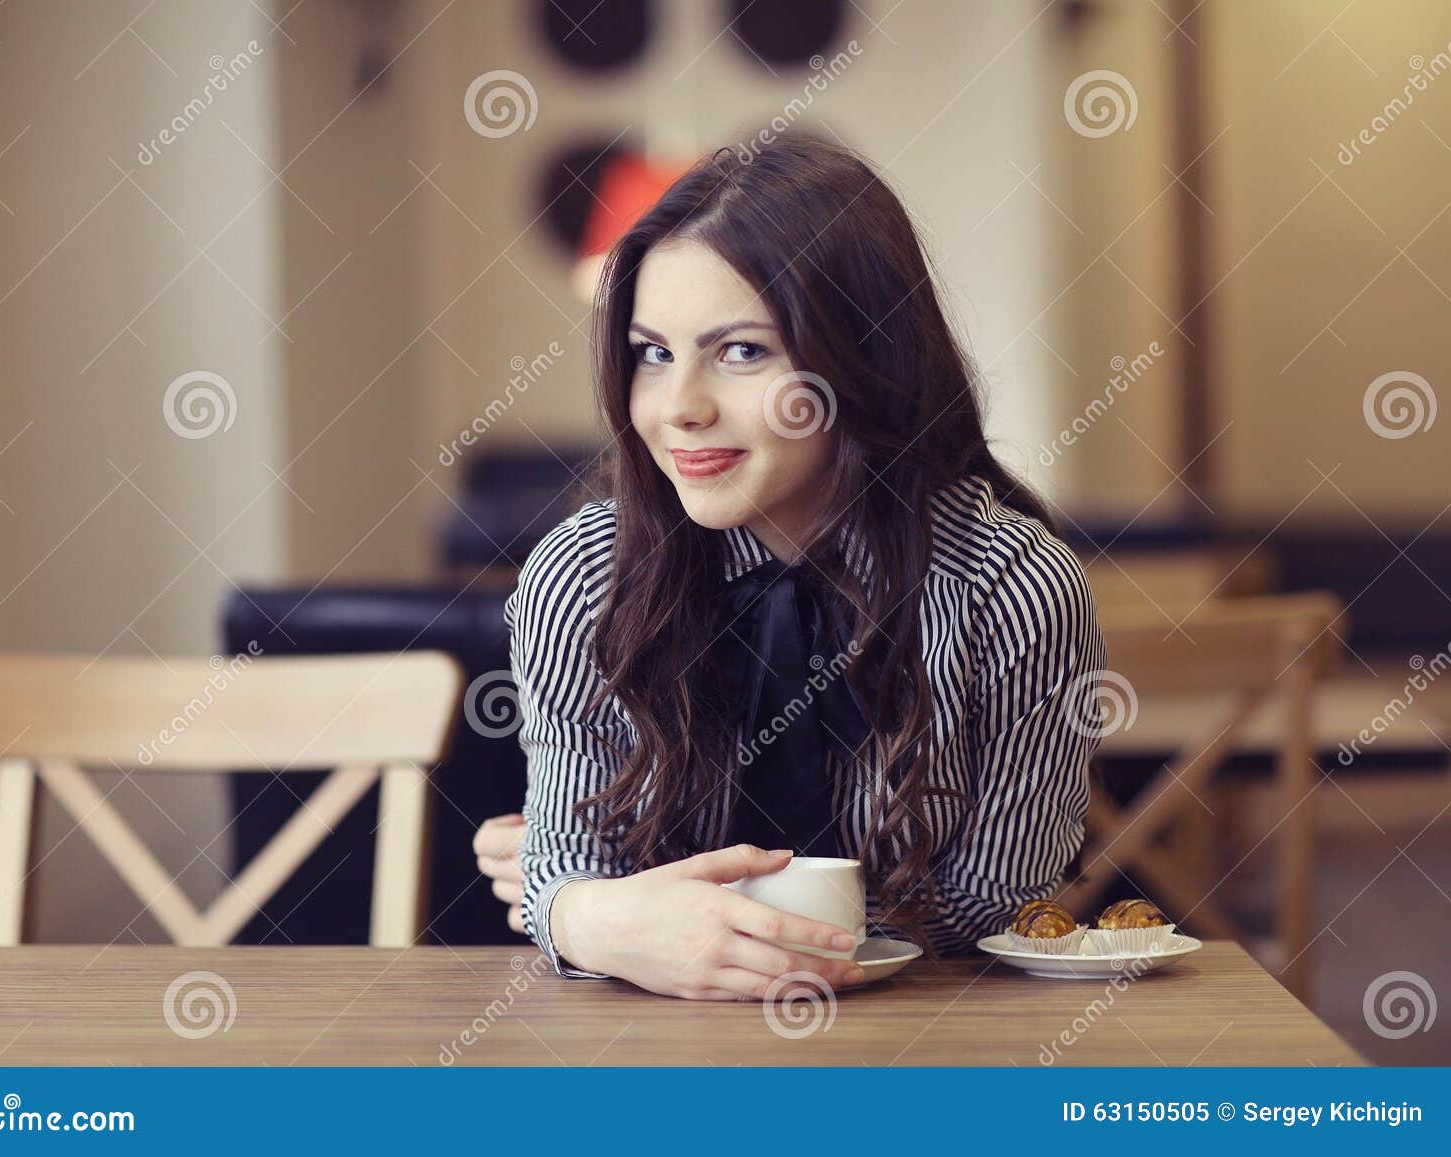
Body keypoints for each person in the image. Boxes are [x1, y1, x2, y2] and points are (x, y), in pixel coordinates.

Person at [473, 137, 1104, 1001]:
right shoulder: (581, 576)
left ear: (861, 358)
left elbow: (995, 905)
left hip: (930, 1051)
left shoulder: (1013, 587)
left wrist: (649, 916)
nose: (680, 407)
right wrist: (592, 915)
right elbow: (569, 877)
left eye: (741, 352)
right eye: (653, 352)